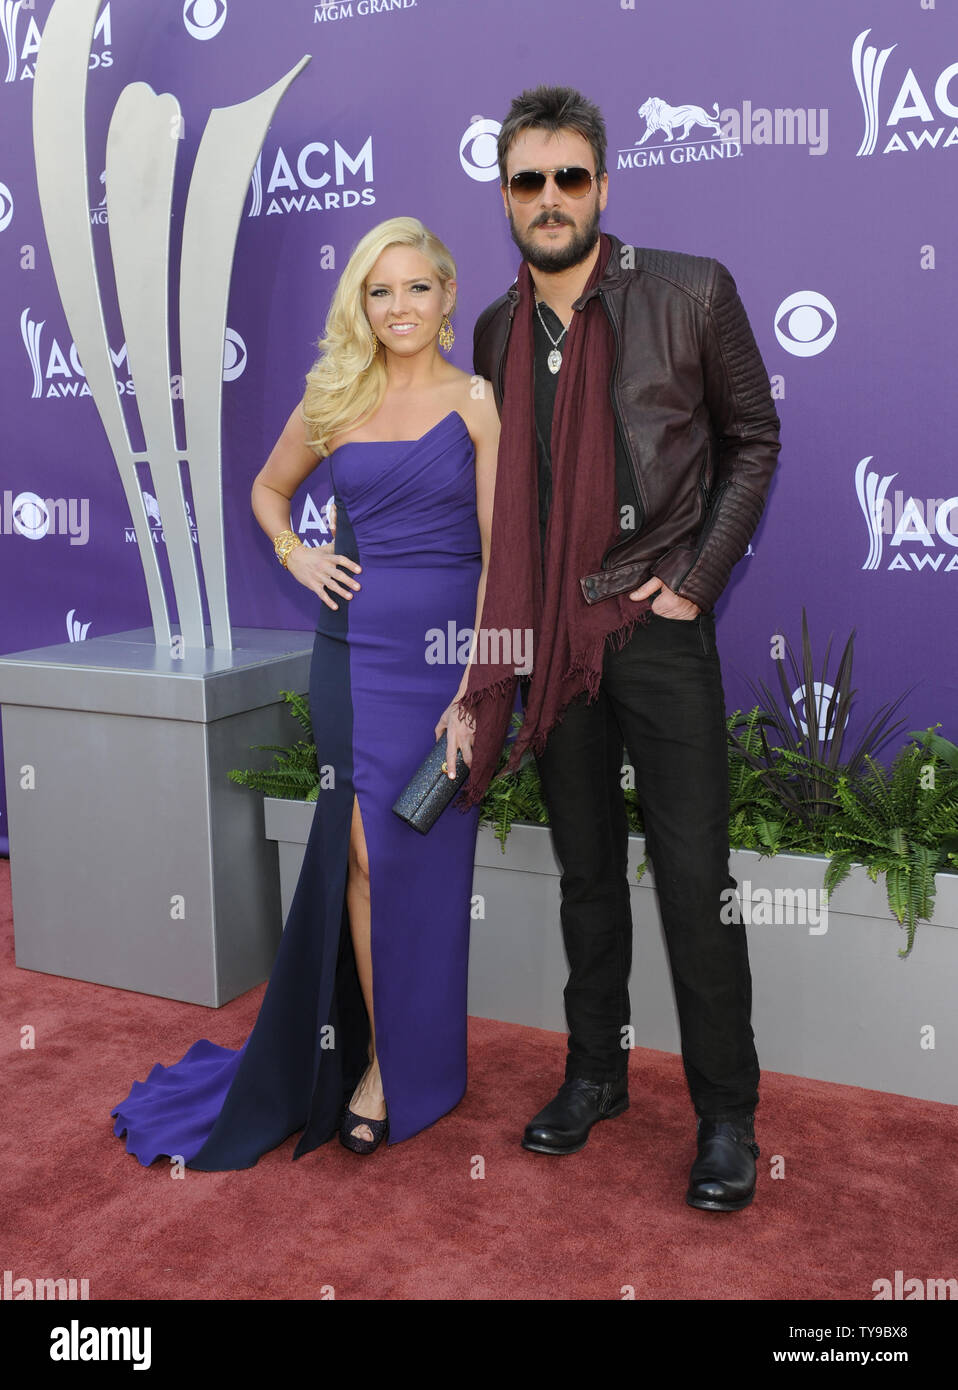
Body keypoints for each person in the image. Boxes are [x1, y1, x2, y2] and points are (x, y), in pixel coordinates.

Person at [110, 216, 499, 1167]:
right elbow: (266, 492)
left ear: (448, 297)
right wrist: (297, 551)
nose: (399, 306)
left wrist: (481, 685)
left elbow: (502, 558)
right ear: (359, 306)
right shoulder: (338, 398)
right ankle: (384, 1067)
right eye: (380, 291)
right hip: (352, 659)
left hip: (449, 669)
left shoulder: (481, 402)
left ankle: (423, 1060)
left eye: (416, 288)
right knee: (363, 854)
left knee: (426, 865)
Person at [455, 87, 781, 1211]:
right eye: (527, 182)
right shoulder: (495, 331)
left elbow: (754, 438)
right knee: (586, 874)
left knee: (695, 881)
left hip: (653, 630)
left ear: (603, 184)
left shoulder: (691, 290)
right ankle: (594, 1072)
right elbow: (508, 527)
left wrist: (693, 584)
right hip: (553, 644)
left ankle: (727, 1117)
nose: (550, 200)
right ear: (503, 197)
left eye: (570, 178)